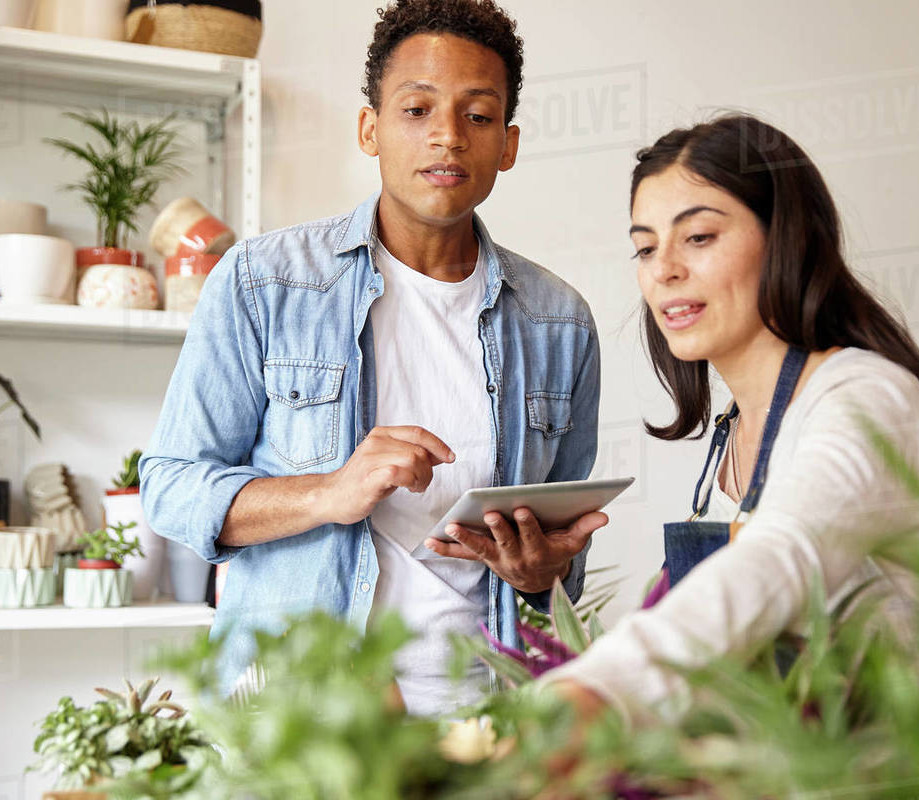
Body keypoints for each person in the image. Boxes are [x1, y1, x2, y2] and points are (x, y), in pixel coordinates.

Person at [140, 0, 606, 716]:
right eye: (417, 110)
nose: (448, 136)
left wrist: (542, 571)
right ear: (370, 129)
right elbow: (171, 487)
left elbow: (560, 564)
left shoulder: (559, 322)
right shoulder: (265, 281)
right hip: (305, 723)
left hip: (487, 716)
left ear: (508, 144)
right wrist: (329, 492)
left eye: (478, 115)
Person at [543, 113, 919, 725]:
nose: (663, 269)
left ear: (786, 239)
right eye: (646, 247)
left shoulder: (867, 402)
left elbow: (780, 559)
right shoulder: (734, 428)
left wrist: (596, 692)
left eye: (698, 237)